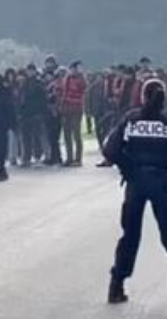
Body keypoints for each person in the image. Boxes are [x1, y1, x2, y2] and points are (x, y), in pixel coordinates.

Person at [102, 78, 167, 304]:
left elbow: (110, 149)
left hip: (135, 182)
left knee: (130, 237)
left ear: (142, 96)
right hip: (163, 183)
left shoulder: (131, 119)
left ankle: (116, 285)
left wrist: (128, 167)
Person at [59, 61, 87, 167]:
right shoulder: (67, 79)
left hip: (76, 108)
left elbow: (83, 87)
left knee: (76, 134)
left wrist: (80, 75)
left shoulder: (81, 79)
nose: (72, 71)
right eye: (71, 69)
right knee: (67, 135)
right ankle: (69, 158)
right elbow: (63, 92)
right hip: (67, 109)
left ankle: (78, 158)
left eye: (74, 69)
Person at [20, 64, 47, 167]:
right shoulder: (24, 84)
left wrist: (41, 112)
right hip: (26, 114)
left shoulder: (39, 83)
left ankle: (37, 157)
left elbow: (43, 100)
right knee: (26, 137)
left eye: (32, 71)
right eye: (28, 71)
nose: (30, 73)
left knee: (37, 136)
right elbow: (21, 98)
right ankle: (26, 157)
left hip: (36, 113)